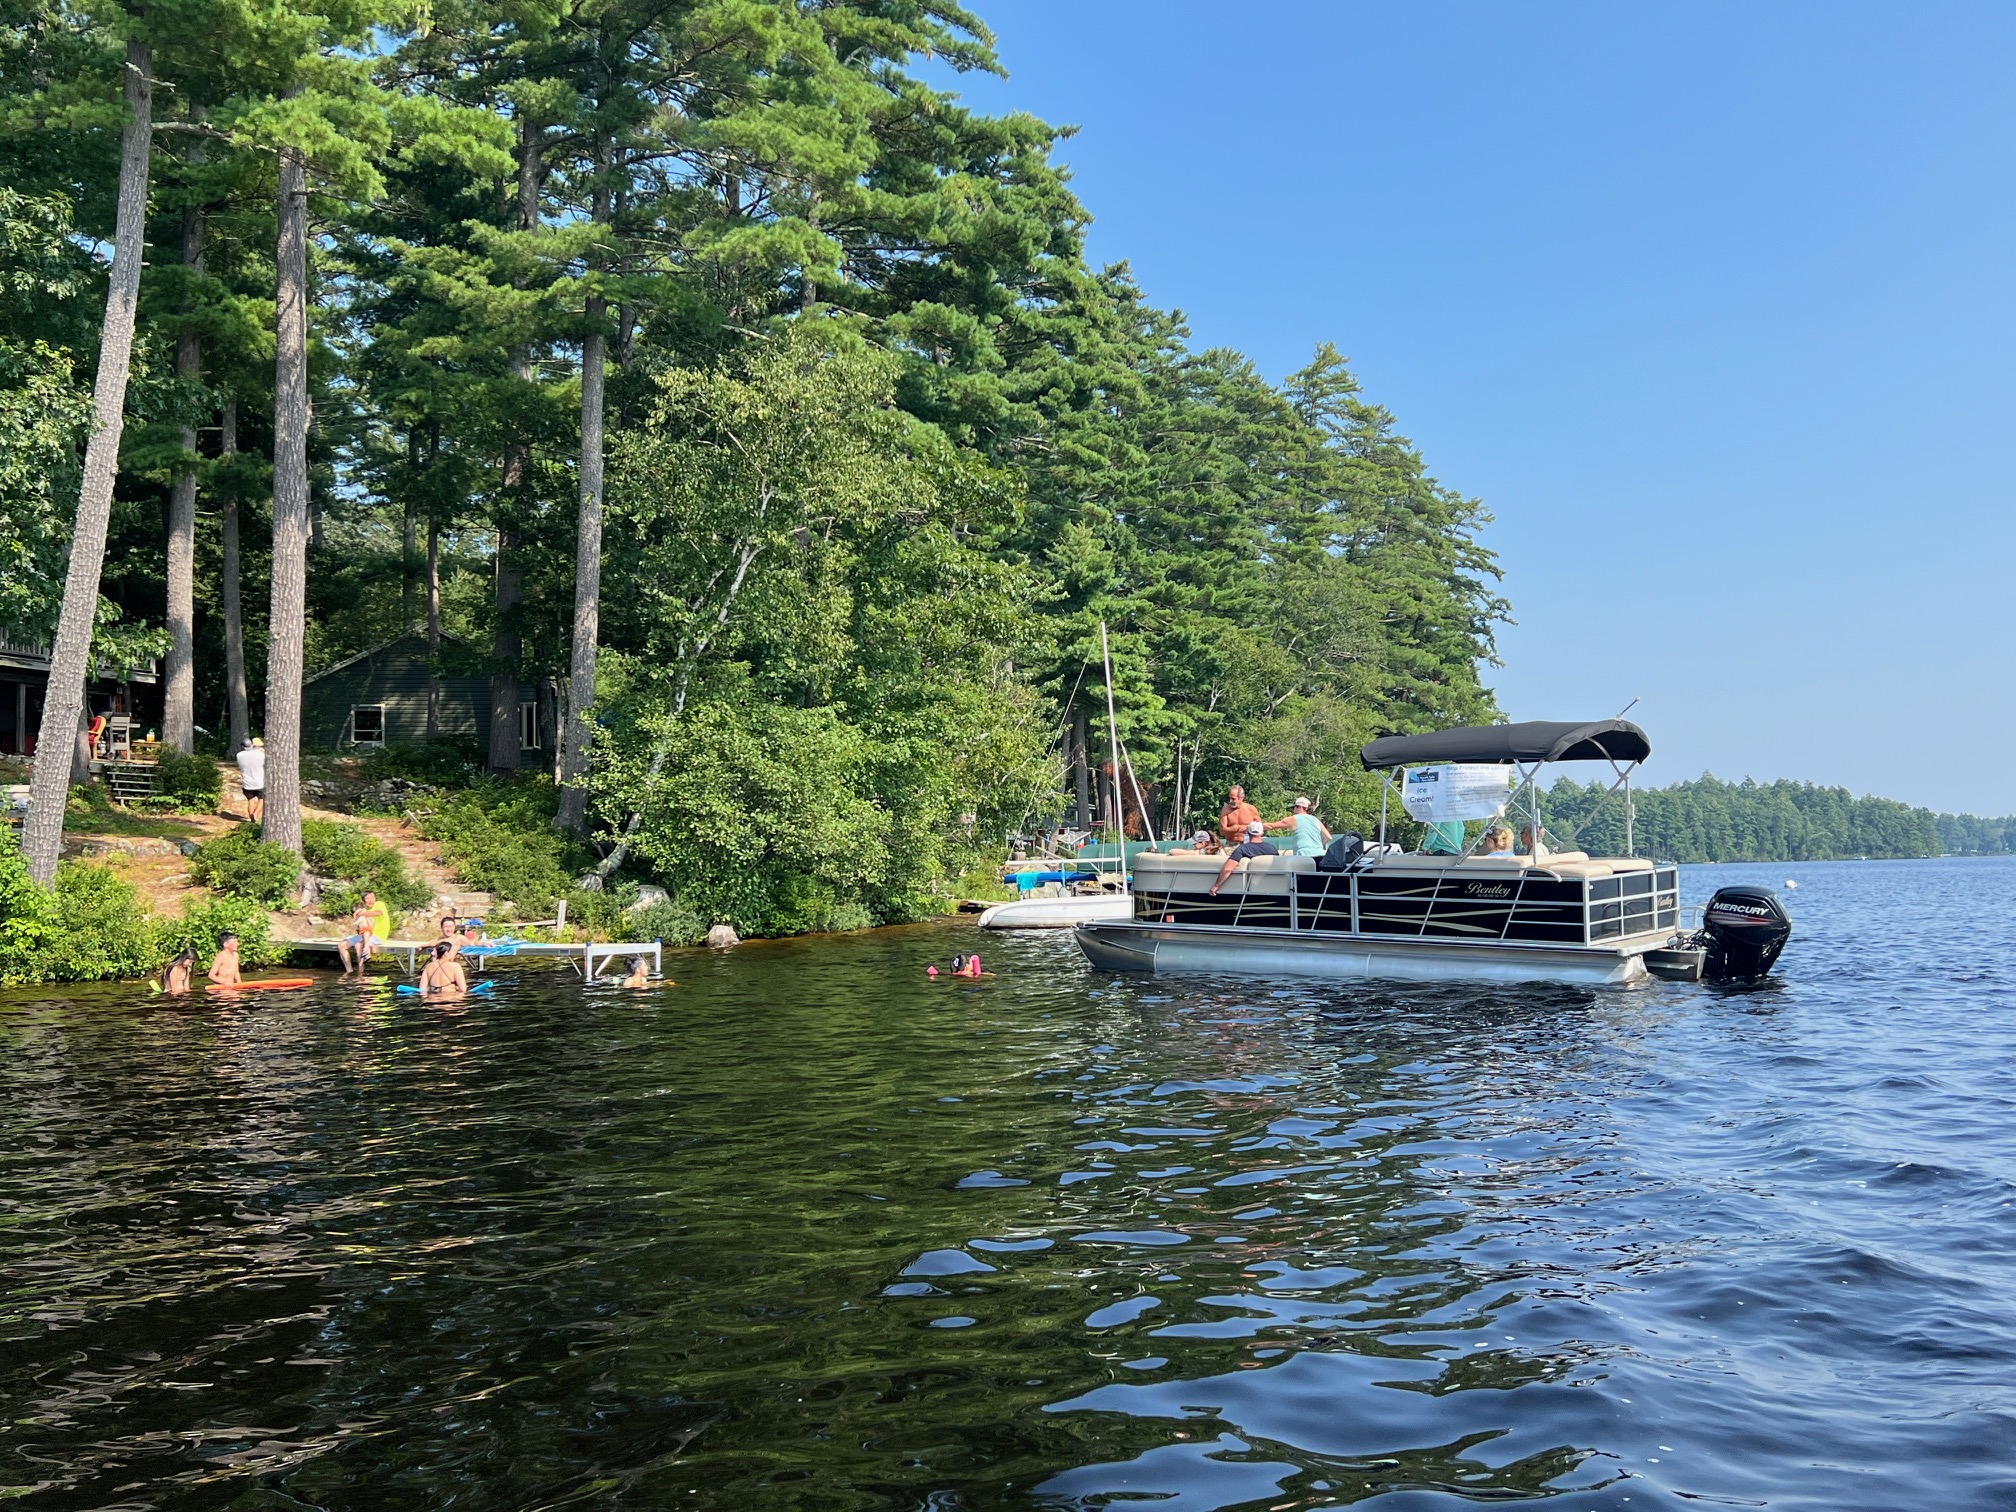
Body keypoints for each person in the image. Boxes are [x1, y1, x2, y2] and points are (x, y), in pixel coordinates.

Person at [1209, 820, 1279, 897]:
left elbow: (1227, 869)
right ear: (1262, 833)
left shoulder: (1243, 849)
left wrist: (1216, 886)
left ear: (1248, 833)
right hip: (1273, 889)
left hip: (1250, 892)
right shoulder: (1272, 848)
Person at [338, 890, 394, 974]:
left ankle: (361, 972)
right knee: (341, 946)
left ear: (375, 898)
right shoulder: (364, 910)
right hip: (365, 935)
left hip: (378, 936)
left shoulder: (379, 904)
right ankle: (349, 970)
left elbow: (378, 913)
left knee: (358, 945)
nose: (370, 900)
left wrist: (362, 914)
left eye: (372, 897)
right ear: (364, 900)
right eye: (367, 898)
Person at [1267, 796, 1333, 858]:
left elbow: (1271, 826)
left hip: (1304, 856)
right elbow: (1328, 837)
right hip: (1320, 855)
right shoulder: (1315, 819)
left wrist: (1258, 825)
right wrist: (1316, 847)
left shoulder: (1293, 819)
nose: (1293, 810)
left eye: (1294, 807)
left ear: (1300, 807)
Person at [236, 737, 266, 824]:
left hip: (247, 783)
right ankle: (256, 814)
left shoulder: (239, 755)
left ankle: (251, 816)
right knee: (262, 799)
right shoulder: (260, 754)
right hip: (260, 782)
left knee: (251, 800)